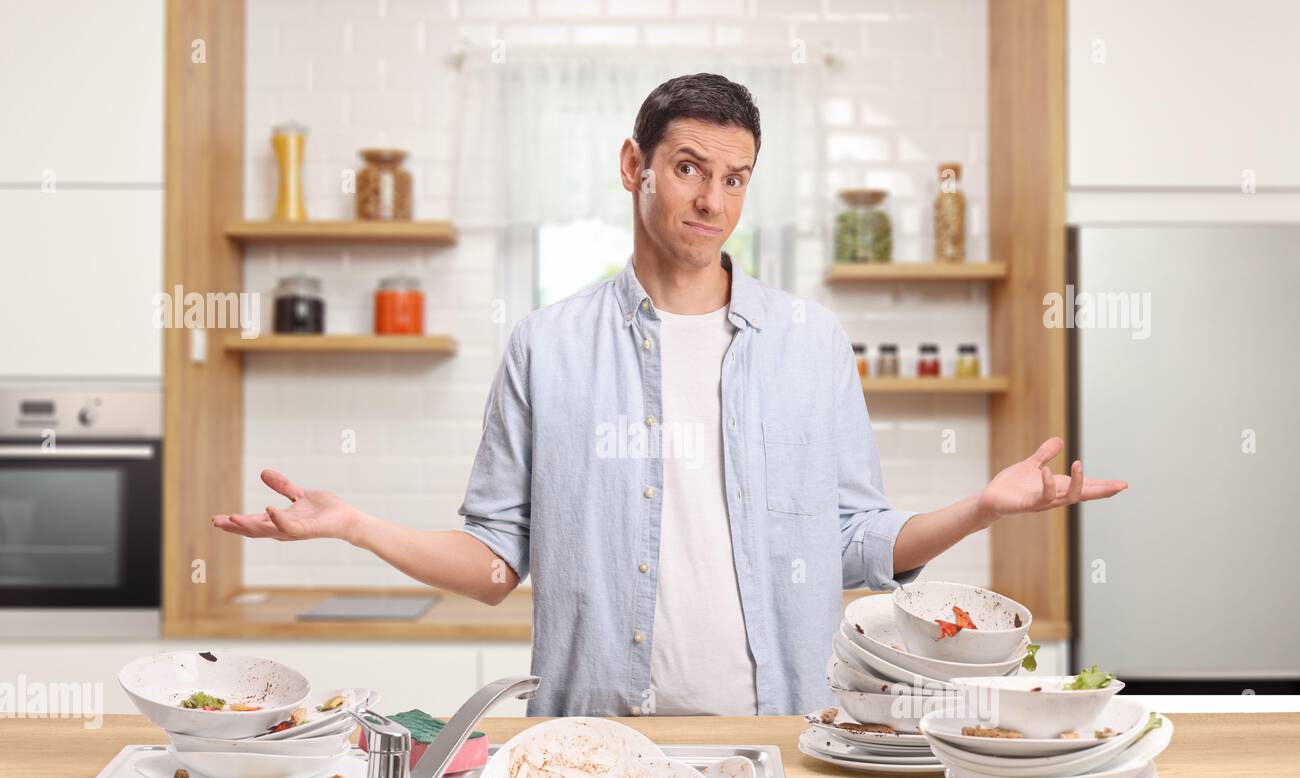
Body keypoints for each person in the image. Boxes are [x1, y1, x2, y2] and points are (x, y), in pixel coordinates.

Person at [213, 73, 1126, 718]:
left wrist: (978, 509)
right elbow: (496, 564)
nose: (713, 200)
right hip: (598, 739)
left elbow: (853, 544)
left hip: (782, 732)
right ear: (633, 166)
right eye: (689, 167)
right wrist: (355, 527)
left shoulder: (810, 347)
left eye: (735, 179)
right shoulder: (547, 346)